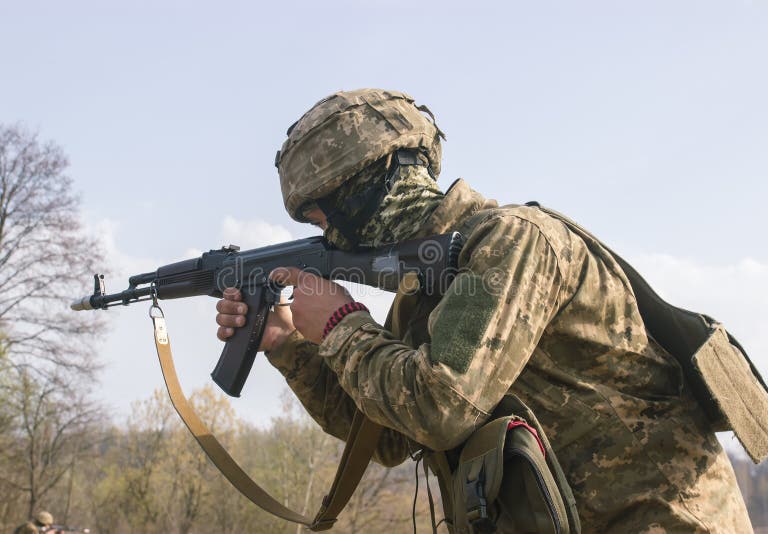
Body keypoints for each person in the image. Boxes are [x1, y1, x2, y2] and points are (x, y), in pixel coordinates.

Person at [215, 89, 753, 532]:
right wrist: (287, 344)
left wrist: (339, 325)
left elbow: (439, 407)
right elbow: (386, 432)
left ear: (371, 185)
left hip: (658, 519)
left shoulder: (513, 243)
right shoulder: (426, 290)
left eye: (323, 212)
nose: (326, 232)